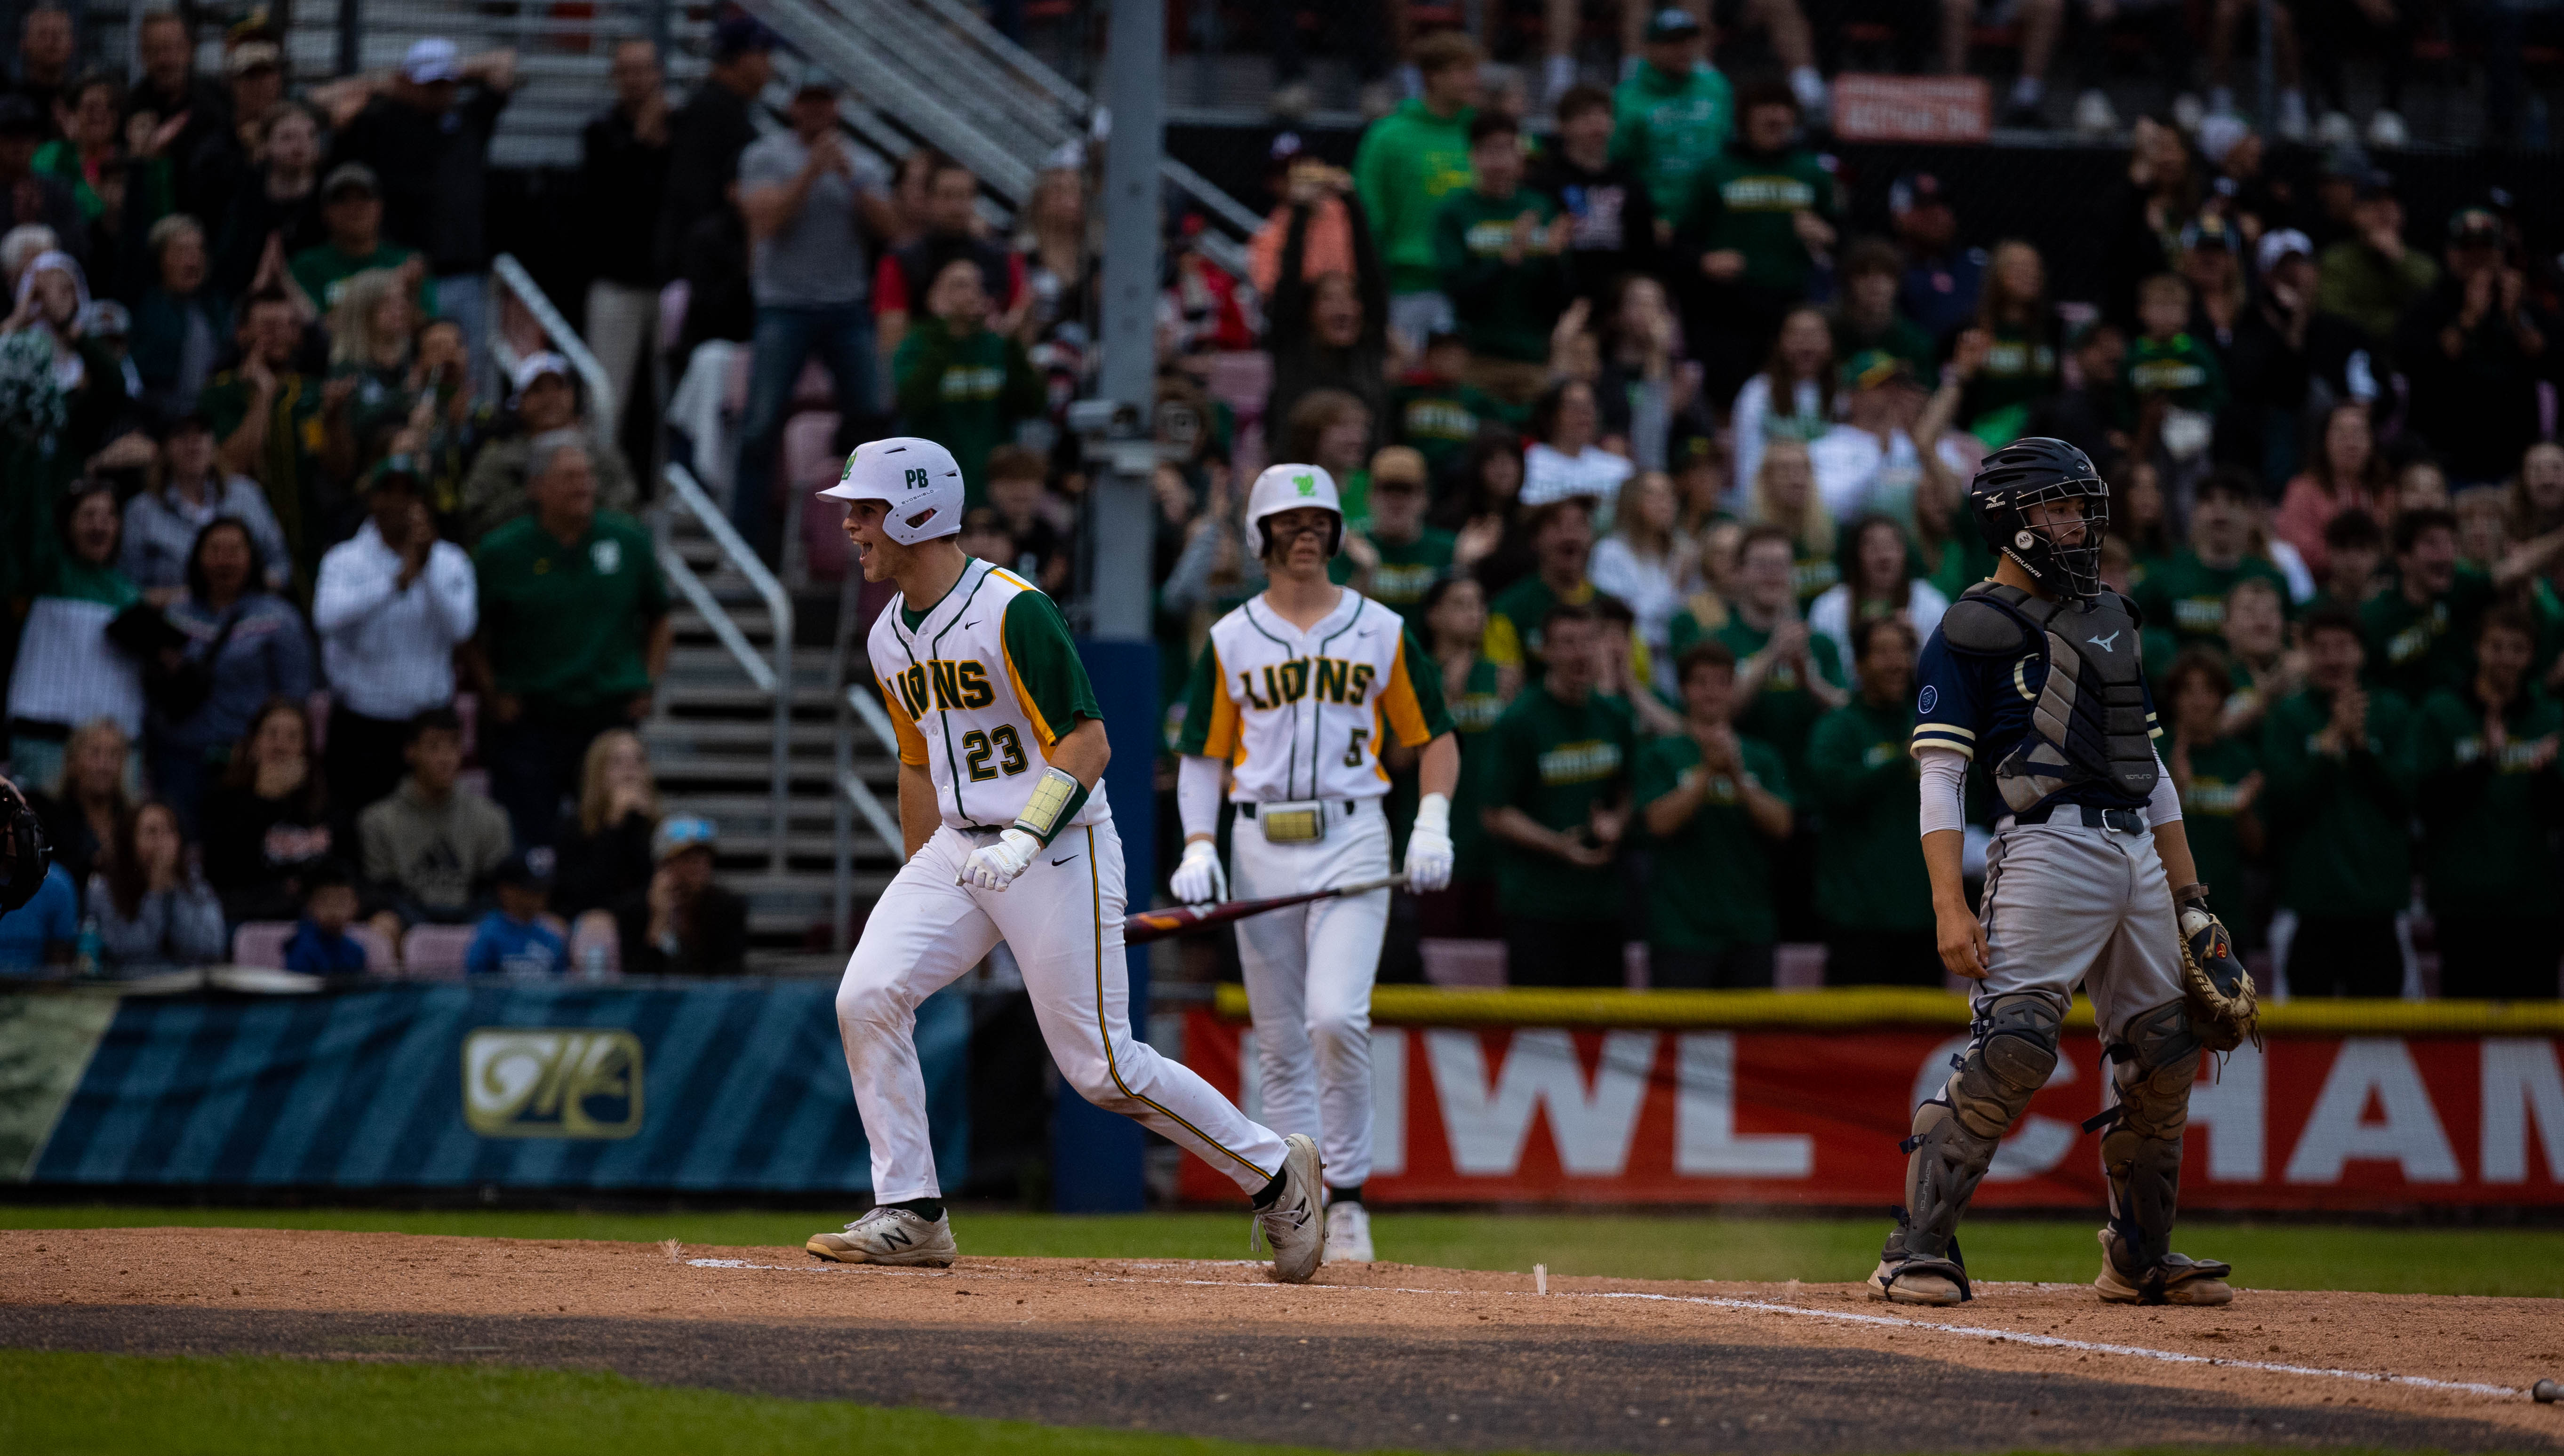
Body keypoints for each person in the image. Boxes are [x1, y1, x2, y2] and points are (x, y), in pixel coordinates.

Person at [809, 436, 1326, 1279]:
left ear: (913, 513)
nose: (853, 528)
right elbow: (915, 764)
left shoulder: (1012, 609)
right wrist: (921, 878)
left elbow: (1086, 745)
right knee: (866, 994)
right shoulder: (885, 637)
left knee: (1101, 1069)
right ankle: (911, 1209)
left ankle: (1273, 1173)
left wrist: (1022, 840)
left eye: (864, 511)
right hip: (959, 849)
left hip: (1057, 847)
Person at [1875, 436, 2239, 1310]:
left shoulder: (2112, 615)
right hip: (2042, 846)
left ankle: (2138, 1255)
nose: (2078, 524)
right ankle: (1915, 1248)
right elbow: (1938, 774)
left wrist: (2192, 900)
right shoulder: (1968, 626)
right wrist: (1946, 903)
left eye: (2081, 507)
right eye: (2059, 507)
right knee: (2012, 1045)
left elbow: (2148, 771)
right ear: (2011, 518)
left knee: (2164, 1050)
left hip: (2133, 854)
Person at [1169, 461, 1461, 1265]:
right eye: (1288, 526)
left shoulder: (1378, 628)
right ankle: (1293, 1204)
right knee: (1278, 1043)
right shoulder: (1231, 637)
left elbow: (1433, 736)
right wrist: (1199, 841)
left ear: (1336, 533)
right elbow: (1201, 753)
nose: (1304, 538)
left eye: (1318, 524)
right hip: (1258, 840)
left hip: (1351, 835)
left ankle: (1351, 1196)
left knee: (1335, 1018)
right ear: (1261, 537)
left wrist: (1430, 821)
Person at [472, 430, 671, 847]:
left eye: (588, 476)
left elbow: (661, 618)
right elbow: (470, 632)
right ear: (537, 487)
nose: (584, 485)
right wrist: (492, 691)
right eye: (569, 477)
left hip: (607, 716)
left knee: (613, 839)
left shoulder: (628, 540)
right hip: (531, 719)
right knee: (528, 846)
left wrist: (648, 680)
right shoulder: (500, 552)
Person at [731, 66, 895, 556]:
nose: (817, 110)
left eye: (826, 101)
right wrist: (811, 172)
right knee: (760, 426)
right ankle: (748, 547)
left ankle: (883, 539)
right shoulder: (765, 155)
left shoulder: (862, 162)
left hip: (846, 308)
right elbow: (767, 220)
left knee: (874, 420)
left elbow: (891, 230)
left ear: (837, 107)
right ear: (792, 105)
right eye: (808, 100)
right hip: (784, 307)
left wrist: (850, 179)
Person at [326, 38, 516, 385]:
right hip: (406, 274)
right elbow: (327, 99)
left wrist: (455, 71)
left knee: (467, 371)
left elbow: (505, 64)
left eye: (444, 83)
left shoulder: (467, 121)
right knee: (403, 365)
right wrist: (394, 86)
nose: (437, 93)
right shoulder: (385, 119)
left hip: (465, 275)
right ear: (408, 81)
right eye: (429, 84)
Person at [312, 459, 475, 834]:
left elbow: (462, 627)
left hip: (427, 723)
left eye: (410, 493)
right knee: (357, 829)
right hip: (362, 724)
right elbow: (327, 618)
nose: (399, 503)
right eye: (389, 492)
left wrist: (426, 566)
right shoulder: (344, 560)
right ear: (373, 500)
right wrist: (394, 584)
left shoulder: (451, 562)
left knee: (429, 831)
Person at [2261, 604, 2414, 997]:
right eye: (2321, 648)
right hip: (2308, 910)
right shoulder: (2288, 718)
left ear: (2361, 653)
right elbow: (2284, 804)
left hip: (2379, 909)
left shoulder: (2393, 711)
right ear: (2306, 655)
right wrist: (2329, 746)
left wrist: (2361, 747)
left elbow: (2405, 800)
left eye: (2343, 647)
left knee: (2383, 1041)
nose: (2332, 658)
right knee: (2306, 1044)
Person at [1482, 604, 1636, 988]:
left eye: (1588, 641)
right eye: (1567, 643)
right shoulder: (1520, 721)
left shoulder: (1615, 715)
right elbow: (1495, 813)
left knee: (1605, 1030)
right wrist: (1556, 845)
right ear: (1545, 651)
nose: (1580, 653)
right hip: (1538, 904)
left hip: (1602, 904)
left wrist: (1618, 820)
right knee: (1538, 1034)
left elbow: (1630, 788)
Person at [2412, 608, 2561, 999]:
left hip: (2534, 903)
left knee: (2533, 1036)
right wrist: (2483, 762)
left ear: (2531, 656)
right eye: (2496, 646)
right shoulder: (2441, 712)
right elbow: (2425, 803)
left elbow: (2557, 815)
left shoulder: (2550, 717)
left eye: (2518, 649)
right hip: (2462, 902)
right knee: (2462, 1027)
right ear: (2478, 649)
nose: (2506, 658)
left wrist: (2544, 774)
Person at [1638, 638, 1793, 987]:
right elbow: (1658, 824)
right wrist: (1707, 771)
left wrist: (1738, 778)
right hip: (1680, 932)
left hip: (1749, 929)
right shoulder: (1661, 754)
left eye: (1722, 682)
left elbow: (1782, 826)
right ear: (1683, 689)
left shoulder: (1761, 756)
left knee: (1753, 1041)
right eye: (1700, 682)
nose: (1711, 692)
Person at [1673, 83, 1837, 406]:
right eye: (1765, 108)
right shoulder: (1716, 170)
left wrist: (1828, 236)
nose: (1775, 116)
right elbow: (1681, 242)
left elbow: (1842, 237)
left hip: (1789, 308)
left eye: (1782, 108)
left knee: (1789, 400)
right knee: (1724, 399)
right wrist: (1703, 261)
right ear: (1745, 119)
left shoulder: (1811, 172)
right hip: (1725, 310)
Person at [147, 518, 312, 831]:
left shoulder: (279, 618)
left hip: (246, 763)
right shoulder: (176, 614)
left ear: (252, 557)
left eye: (235, 550)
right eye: (215, 550)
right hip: (180, 756)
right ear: (198, 557)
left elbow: (295, 697)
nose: (225, 559)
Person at [1804, 617, 1938, 985]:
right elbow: (1835, 790)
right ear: (1859, 664)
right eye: (1883, 652)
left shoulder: (1929, 724)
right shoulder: (1837, 728)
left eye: (1902, 652)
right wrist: (1901, 758)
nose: (1896, 662)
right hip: (1856, 923)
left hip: (1925, 920)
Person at [2397, 209, 2557, 490]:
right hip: (2446, 461)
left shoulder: (2525, 306)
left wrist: (2516, 320)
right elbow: (2418, 367)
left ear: (2500, 253)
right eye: (2466, 249)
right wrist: (2468, 319)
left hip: (2516, 463)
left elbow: (2553, 362)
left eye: (2485, 249)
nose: (2477, 258)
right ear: (2450, 253)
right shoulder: (2428, 306)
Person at [1351, 30, 1481, 354]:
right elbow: (1368, 212)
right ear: (1432, 77)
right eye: (1461, 71)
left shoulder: (1482, 132)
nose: (1472, 80)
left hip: (1475, 285)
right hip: (1407, 289)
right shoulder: (1387, 136)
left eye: (1473, 71)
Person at [8, 480, 143, 788]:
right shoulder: (47, 572)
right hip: (46, 736)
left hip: (116, 745)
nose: (100, 524)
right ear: (68, 526)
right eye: (89, 515)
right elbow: (28, 526)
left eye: (109, 516)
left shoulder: (130, 592)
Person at [1434, 112, 1573, 410]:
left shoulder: (1540, 208)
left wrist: (1553, 260)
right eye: (1489, 151)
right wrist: (1508, 259)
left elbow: (1560, 296)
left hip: (1535, 360)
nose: (1499, 162)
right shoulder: (1455, 212)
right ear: (1473, 156)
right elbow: (1458, 291)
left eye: (1507, 150)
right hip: (1477, 361)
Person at [892, 257, 1046, 503]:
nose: (972, 293)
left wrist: (1015, 345)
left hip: (991, 490)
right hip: (934, 485)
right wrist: (946, 334)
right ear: (935, 297)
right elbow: (910, 401)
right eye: (960, 285)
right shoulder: (919, 343)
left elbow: (1033, 405)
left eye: (977, 286)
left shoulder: (998, 344)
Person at [578, 39, 671, 445]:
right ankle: (596, 489)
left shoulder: (680, 133)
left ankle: (673, 499)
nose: (635, 80)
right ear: (615, 78)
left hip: (670, 287)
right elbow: (608, 196)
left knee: (671, 402)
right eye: (626, 71)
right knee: (605, 395)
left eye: (643, 69)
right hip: (616, 283)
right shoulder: (599, 133)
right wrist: (640, 141)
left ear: (658, 74)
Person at [198, 288, 326, 576]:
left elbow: (330, 467)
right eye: (269, 326)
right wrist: (264, 397)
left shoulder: (313, 393)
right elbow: (230, 468)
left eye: (288, 326)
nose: (279, 334)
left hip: (311, 539)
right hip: (248, 550)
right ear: (242, 333)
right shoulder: (220, 392)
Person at [1414, 575, 1513, 938]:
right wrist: (1448, 697)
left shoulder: (1503, 678)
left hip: (1492, 849)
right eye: (1460, 604)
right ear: (1433, 615)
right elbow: (1397, 758)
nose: (1474, 613)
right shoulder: (1415, 674)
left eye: (1478, 604)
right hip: (1431, 844)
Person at [359, 706, 512, 938]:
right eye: (433, 747)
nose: (446, 758)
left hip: (472, 922)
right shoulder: (378, 821)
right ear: (410, 752)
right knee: (382, 924)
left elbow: (494, 891)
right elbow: (382, 893)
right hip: (407, 923)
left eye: (454, 745)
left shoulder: (491, 818)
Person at [1267, 167, 1389, 439]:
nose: (1343, 307)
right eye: (1329, 300)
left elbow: (1372, 279)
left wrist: (1351, 202)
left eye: (1350, 299)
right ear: (1309, 313)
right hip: (1300, 476)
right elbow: (1288, 283)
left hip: (1359, 478)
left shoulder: (1368, 350)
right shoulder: (1292, 348)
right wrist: (1300, 211)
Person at [2162, 647, 2267, 954]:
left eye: (2208, 690)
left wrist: (2244, 812)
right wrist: (2173, 793)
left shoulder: (2240, 760)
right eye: (2188, 690)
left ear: (2222, 698)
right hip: (2162, 912)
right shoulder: (2152, 752)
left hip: (2225, 911)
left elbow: (2257, 847)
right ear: (2173, 698)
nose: (2198, 700)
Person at [121, 414, 290, 602]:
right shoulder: (141, 511)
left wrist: (244, 593)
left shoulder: (247, 494)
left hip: (249, 617)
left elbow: (280, 565)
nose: (193, 443)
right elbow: (128, 589)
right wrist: (195, 599)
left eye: (202, 433)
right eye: (182, 434)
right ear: (165, 448)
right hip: (171, 623)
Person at [871, 155, 1022, 362]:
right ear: (929, 199)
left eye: (964, 196)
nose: (956, 206)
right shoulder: (900, 261)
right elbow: (891, 344)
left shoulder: (1001, 257)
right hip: (926, 376)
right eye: (947, 196)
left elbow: (1021, 327)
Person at [655, 13, 772, 279]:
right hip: (701, 268)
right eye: (762, 54)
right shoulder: (711, 110)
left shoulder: (728, 108)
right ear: (739, 58)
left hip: (707, 261)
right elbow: (691, 192)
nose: (770, 66)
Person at [198, 695, 333, 924]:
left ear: (306, 750)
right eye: (271, 734)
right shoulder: (223, 801)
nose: (280, 745)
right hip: (246, 921)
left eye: (293, 737)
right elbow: (221, 873)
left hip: (315, 922)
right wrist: (265, 799)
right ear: (253, 744)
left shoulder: (324, 804)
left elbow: (341, 873)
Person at [2133, 470, 2292, 655]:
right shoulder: (2163, 575)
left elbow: (2289, 643)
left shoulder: (2272, 579)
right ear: (2194, 513)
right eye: (2209, 500)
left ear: (2250, 515)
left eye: (2232, 500)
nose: (2220, 512)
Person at [1530, 85, 1657, 309]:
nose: (1597, 123)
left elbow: (1644, 249)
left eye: (1604, 114)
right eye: (1586, 116)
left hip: (1618, 297)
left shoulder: (1629, 182)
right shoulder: (1543, 183)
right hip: (1558, 296)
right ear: (1563, 126)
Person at [1611, 9, 1733, 229]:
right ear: (1649, 47)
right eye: (1673, 43)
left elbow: (1729, 146)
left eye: (1689, 42)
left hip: (1714, 214)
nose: (1684, 50)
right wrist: (1646, 217)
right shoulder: (1626, 98)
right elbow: (1618, 163)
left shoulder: (1716, 86)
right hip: (1654, 219)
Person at [2361, 506, 2492, 703]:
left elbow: (2512, 572)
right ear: (2404, 558)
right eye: (2432, 544)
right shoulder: (2375, 615)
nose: (2446, 554)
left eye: (2451, 543)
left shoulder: (2461, 588)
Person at [89, 800, 226, 972]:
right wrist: (155, 895)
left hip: (186, 989)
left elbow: (211, 948)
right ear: (130, 840)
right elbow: (123, 949)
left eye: (170, 832)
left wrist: (175, 894)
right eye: (151, 833)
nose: (162, 842)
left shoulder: (197, 887)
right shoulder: (104, 889)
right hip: (128, 988)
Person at [554, 727, 659, 948]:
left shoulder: (655, 826)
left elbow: (650, 889)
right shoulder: (574, 826)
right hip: (588, 927)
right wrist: (614, 824)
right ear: (597, 773)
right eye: (617, 762)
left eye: (638, 761)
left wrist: (641, 829)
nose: (629, 769)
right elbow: (585, 896)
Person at [211, 101, 325, 300]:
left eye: (310, 135)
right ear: (266, 145)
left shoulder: (330, 196)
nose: (300, 144)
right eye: (287, 137)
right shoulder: (243, 196)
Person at [1484, 497, 1602, 690]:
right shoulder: (1508, 609)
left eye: (1580, 524)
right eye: (1557, 526)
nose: (1570, 536)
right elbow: (1504, 689)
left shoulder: (1613, 607)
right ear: (1535, 539)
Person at [1810, 514, 1950, 673]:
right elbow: (1823, 671)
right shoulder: (1828, 608)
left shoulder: (1931, 602)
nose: (1884, 557)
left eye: (1892, 547)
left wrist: (1917, 645)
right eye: (1873, 548)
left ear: (1905, 553)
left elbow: (1946, 672)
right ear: (1856, 556)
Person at [288, 163, 433, 314]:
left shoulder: (407, 263)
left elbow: (428, 327)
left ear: (379, 207)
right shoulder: (306, 267)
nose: (354, 207)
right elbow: (308, 328)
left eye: (364, 197)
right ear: (325, 211)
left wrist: (411, 295)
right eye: (342, 199)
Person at [1330, 447, 1451, 629]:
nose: (1396, 501)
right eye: (1387, 490)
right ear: (1370, 497)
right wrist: (1364, 573)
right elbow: (1333, 624)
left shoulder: (1448, 550)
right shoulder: (1348, 550)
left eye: (1407, 491)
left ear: (1425, 498)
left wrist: (1464, 566)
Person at [615, 813, 746, 977]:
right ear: (663, 864)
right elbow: (639, 983)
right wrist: (659, 921)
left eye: (704, 856)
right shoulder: (635, 911)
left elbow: (729, 976)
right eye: (687, 857)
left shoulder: (727, 908)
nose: (699, 865)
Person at [1590, 469, 1693, 672]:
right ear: (1631, 501)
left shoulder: (1678, 553)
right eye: (1653, 494)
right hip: (1628, 663)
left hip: (1675, 663)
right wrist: (1674, 584)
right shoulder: (1610, 552)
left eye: (1669, 494)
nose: (1665, 502)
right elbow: (1622, 619)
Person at [1731, 305, 1836, 501]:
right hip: (1769, 502)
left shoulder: (1842, 395)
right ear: (1780, 342)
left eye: (1814, 334)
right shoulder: (1758, 392)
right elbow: (1747, 458)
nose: (1806, 343)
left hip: (1826, 502)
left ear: (1829, 342)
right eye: (1796, 334)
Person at [128, 214, 229, 419]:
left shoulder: (218, 309)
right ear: (160, 259)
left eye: (199, 250)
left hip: (213, 421)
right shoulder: (145, 312)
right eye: (182, 251)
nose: (193, 261)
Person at [2273, 402, 2383, 583]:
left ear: (2372, 441)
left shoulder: (2386, 493)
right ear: (2325, 440)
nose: (2350, 442)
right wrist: (2354, 564)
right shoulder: (2302, 490)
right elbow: (2297, 550)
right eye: (2341, 433)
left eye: (2358, 433)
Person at [30, 717, 131, 893]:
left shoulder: (132, 821)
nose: (104, 765)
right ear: (73, 761)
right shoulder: (48, 816)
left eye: (114, 755)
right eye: (95, 753)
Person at [1891, 172, 1984, 347]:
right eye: (1925, 205)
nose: (1939, 213)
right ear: (1899, 215)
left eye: (1943, 204)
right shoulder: (1891, 269)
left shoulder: (1975, 264)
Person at [1831, 239, 1939, 386]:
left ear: (1898, 283)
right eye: (1864, 274)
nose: (1875, 283)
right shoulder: (1830, 336)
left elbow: (1928, 394)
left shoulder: (1916, 342)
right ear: (1849, 283)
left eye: (1886, 275)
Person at [1519, 378, 1633, 514]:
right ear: (1553, 415)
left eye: (1589, 405)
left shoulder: (1620, 469)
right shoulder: (1528, 462)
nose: (1584, 413)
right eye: (1573, 406)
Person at [466, 849, 567, 976]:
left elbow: (562, 986)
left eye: (544, 890)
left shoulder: (551, 938)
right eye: (531, 890)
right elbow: (476, 984)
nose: (540, 897)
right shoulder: (489, 935)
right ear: (505, 890)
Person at [282, 858, 370, 974]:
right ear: (310, 905)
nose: (333, 910)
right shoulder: (301, 949)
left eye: (341, 901)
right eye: (325, 901)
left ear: (355, 905)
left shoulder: (356, 951)